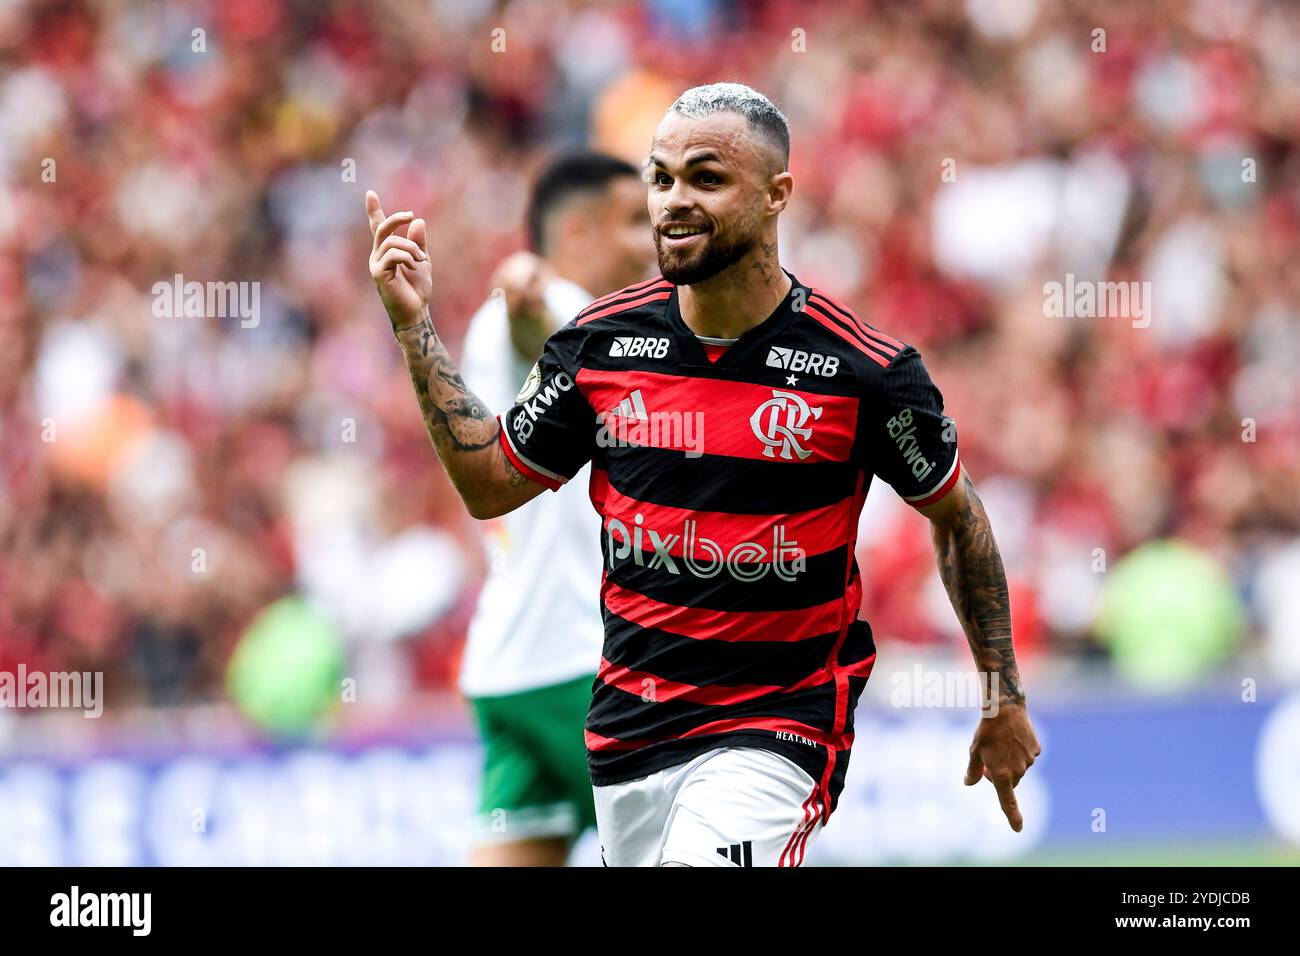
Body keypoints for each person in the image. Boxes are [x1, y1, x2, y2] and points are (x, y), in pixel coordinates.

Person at [366, 82, 1041, 867]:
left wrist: (1001, 693)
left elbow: (957, 516)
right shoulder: (598, 346)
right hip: (626, 734)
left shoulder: (863, 370)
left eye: (706, 179)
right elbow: (490, 485)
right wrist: (414, 328)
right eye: (660, 180)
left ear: (776, 195)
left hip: (775, 729)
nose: (674, 201)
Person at [456, 153, 653, 866]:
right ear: (577, 231)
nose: (654, 236)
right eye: (636, 220)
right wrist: (524, 299)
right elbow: (532, 327)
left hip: (510, 669)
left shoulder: (590, 321)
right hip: (585, 662)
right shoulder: (572, 312)